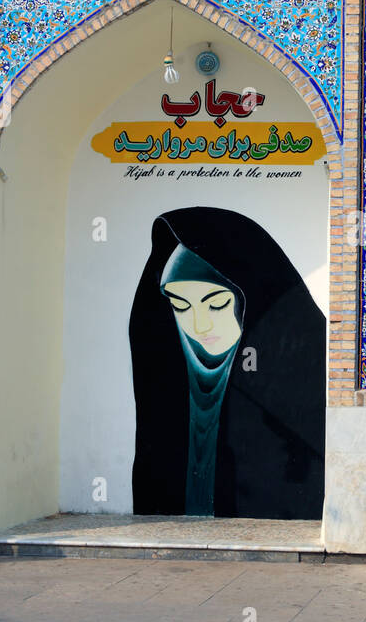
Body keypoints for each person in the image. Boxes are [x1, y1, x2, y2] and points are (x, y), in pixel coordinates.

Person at [128, 207, 326, 519]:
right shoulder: (174, 382)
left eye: (217, 304)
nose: (199, 325)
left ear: (251, 299)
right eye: (181, 304)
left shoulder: (296, 373)